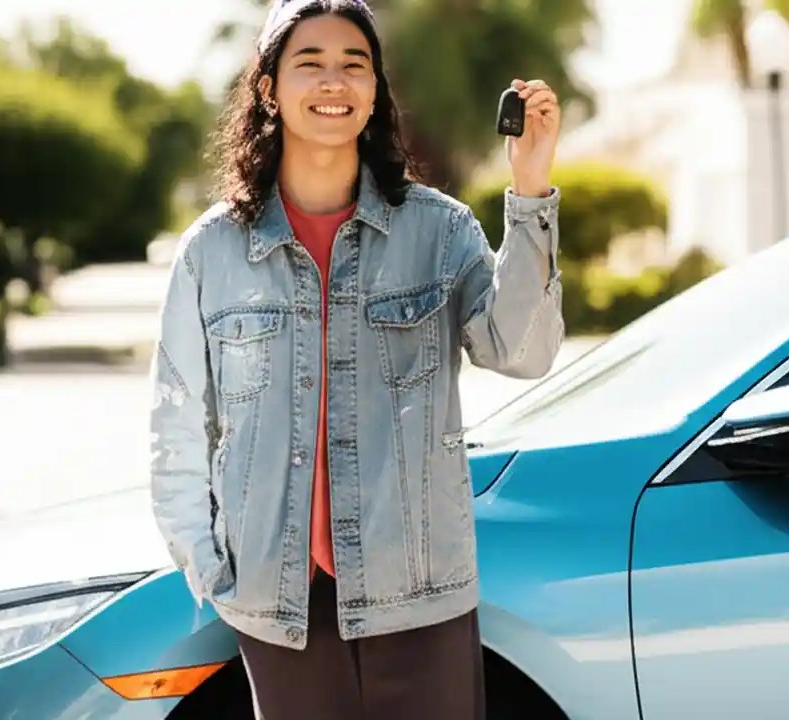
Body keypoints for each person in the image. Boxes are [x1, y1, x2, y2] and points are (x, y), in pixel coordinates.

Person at [148, 0, 563, 716]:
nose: (333, 81)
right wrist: (211, 570)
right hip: (280, 612)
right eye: (310, 63)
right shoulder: (211, 253)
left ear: (375, 93)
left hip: (422, 600)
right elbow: (177, 425)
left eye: (354, 64)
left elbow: (522, 351)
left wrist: (529, 188)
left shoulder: (438, 231)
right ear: (270, 89)